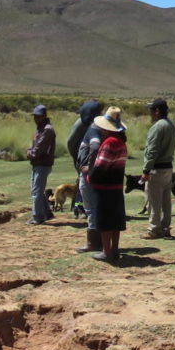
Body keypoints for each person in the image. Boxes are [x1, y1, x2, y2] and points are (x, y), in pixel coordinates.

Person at [86, 110, 128, 262]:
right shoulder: (121, 142)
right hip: (116, 187)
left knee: (104, 221)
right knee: (115, 220)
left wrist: (90, 175)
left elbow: (101, 166)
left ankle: (106, 251)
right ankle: (114, 249)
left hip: (104, 188)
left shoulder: (109, 143)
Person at [66, 99, 104, 250]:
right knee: (93, 201)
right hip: (94, 166)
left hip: (88, 167)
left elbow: (71, 142)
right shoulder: (102, 125)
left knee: (91, 203)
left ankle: (93, 241)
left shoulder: (89, 126)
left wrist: (81, 161)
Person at [139, 97, 175, 238]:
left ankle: (154, 229)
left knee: (154, 201)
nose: (149, 113)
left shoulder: (157, 127)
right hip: (168, 168)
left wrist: (146, 170)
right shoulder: (171, 125)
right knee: (166, 201)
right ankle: (165, 228)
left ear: (156, 111)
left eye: (151, 110)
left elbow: (152, 150)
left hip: (156, 168)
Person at [24, 104, 57, 224]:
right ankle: (47, 213)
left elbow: (39, 149)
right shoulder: (41, 128)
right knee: (37, 190)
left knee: (37, 191)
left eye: (37, 116)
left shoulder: (47, 130)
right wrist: (30, 151)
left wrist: (29, 153)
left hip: (42, 164)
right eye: (34, 116)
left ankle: (38, 217)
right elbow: (34, 146)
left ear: (43, 116)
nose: (35, 118)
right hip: (38, 164)